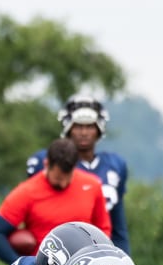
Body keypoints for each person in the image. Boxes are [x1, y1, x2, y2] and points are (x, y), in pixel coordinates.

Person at [26, 95, 130, 253]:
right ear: (68, 127)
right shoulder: (47, 160)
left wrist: (124, 257)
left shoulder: (115, 165)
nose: (84, 132)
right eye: (78, 126)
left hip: (98, 248)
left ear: (99, 128)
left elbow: (118, 225)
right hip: (57, 246)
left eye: (89, 126)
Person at [0, 138, 110, 264]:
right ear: (46, 164)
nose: (63, 184)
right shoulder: (26, 192)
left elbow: (103, 229)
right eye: (58, 178)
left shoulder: (92, 185)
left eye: (68, 178)